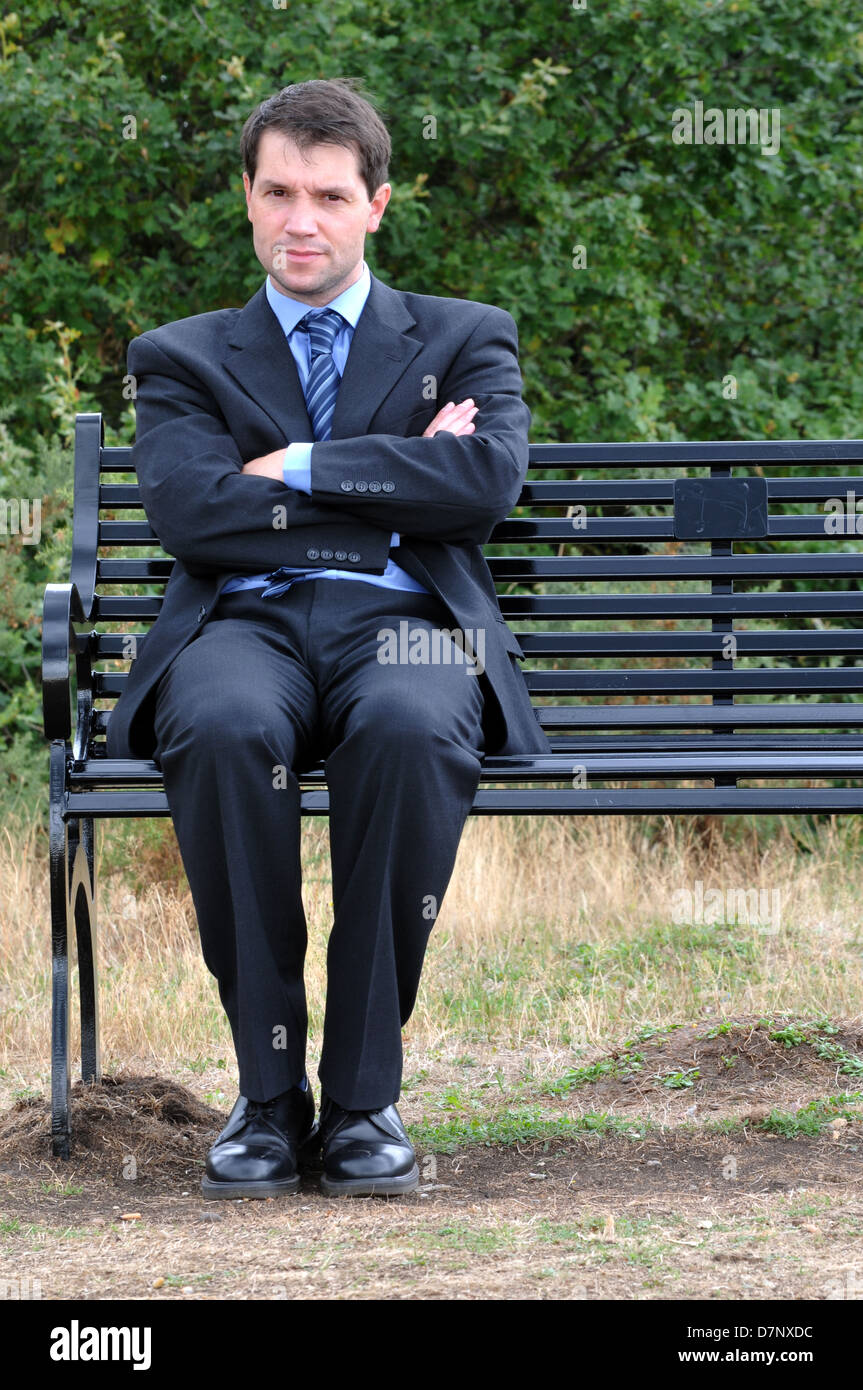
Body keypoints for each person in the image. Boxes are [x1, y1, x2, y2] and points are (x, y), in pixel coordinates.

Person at [107, 78, 551, 1198]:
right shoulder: (183, 355)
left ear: (375, 204)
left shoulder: (462, 336)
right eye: (277, 192)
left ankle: (360, 1102)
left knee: (408, 724)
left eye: (328, 195)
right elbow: (190, 511)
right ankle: (267, 1099)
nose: (300, 219)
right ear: (247, 200)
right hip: (239, 623)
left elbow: (485, 482)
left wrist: (298, 464)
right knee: (217, 725)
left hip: (400, 625)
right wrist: (399, 476)